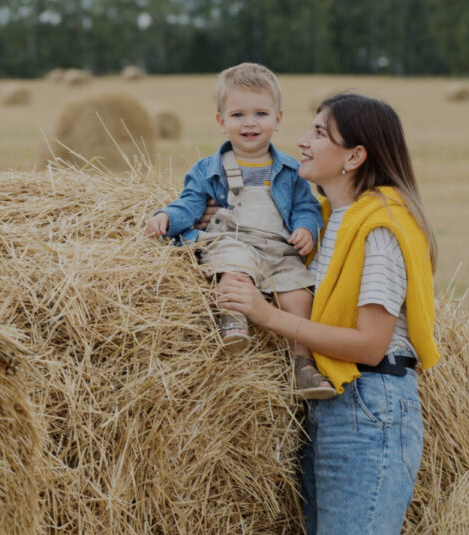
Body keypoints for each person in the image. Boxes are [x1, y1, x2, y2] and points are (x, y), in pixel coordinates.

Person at [216, 92, 440, 535]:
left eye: (319, 133)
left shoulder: (382, 227)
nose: (301, 141)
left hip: (368, 401)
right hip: (332, 401)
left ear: (355, 156)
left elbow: (372, 344)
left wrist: (265, 315)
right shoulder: (323, 219)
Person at [146, 62, 335, 399]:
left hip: (279, 250)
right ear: (221, 122)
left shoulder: (292, 171)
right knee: (232, 268)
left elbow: (306, 207)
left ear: (277, 120)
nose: (250, 122)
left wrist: (306, 228)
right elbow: (189, 204)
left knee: (300, 295)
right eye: (238, 115)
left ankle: (302, 364)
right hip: (234, 241)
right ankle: (232, 321)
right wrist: (166, 217)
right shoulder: (208, 169)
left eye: (261, 113)